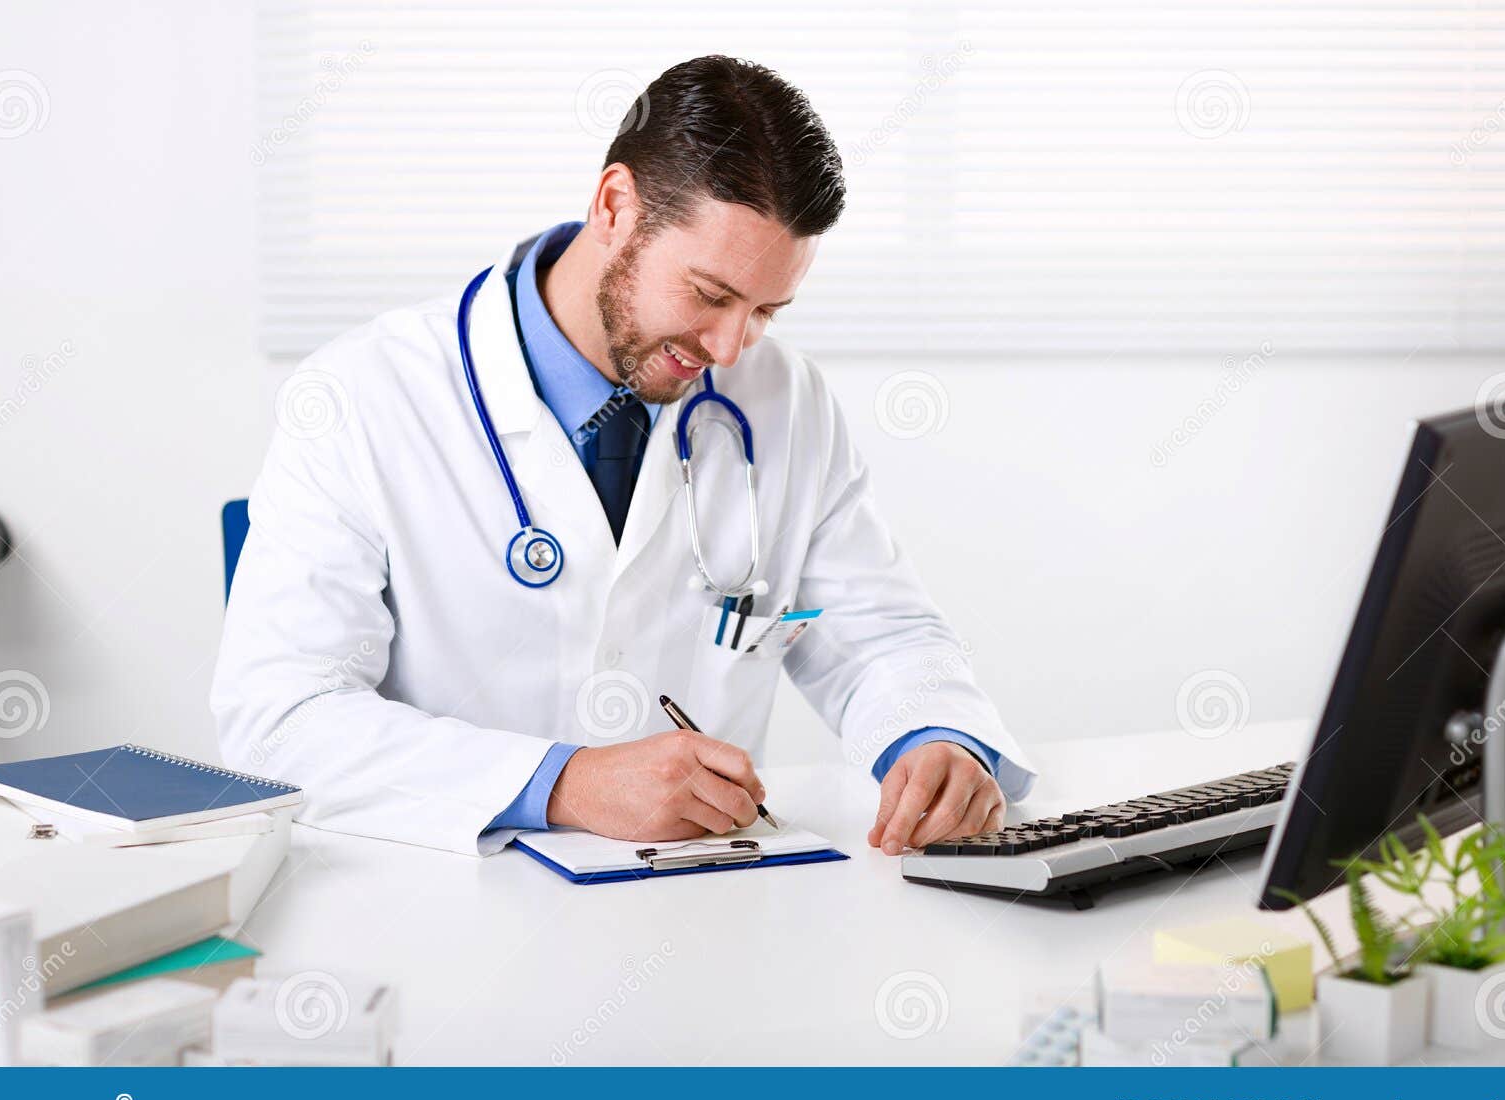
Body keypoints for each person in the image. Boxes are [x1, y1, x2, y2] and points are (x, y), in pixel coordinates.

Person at [212, 55, 1032, 858]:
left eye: (765, 312)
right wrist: (564, 783)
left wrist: (938, 738)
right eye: (710, 295)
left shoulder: (785, 402)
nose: (729, 349)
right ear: (614, 207)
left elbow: (882, 635)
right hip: (440, 902)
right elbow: (280, 720)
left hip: (702, 904)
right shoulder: (359, 397)